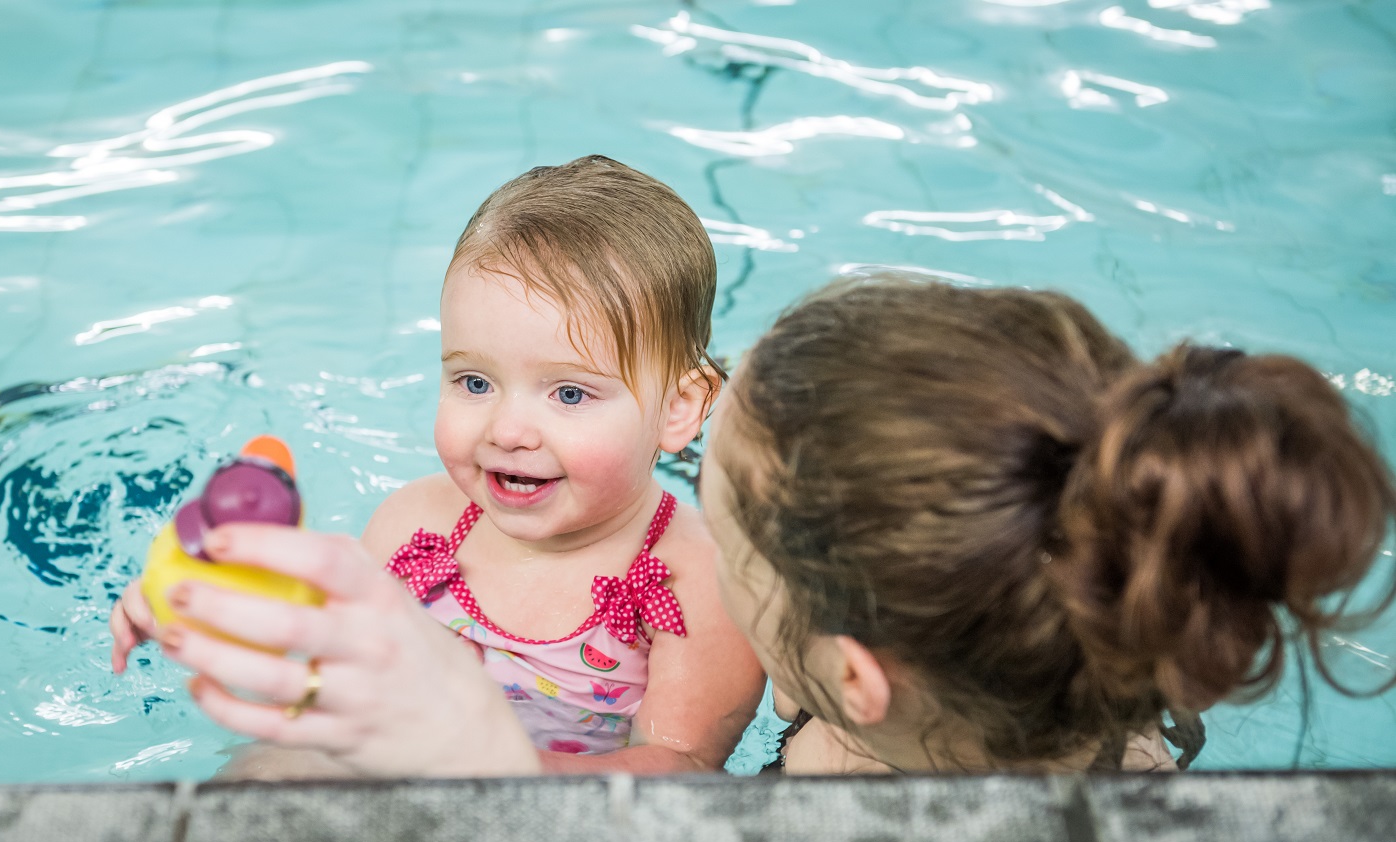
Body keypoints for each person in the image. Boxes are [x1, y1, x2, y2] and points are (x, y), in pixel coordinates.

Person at [135, 276, 1396, 778]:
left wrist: (472, 752)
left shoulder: (836, 806)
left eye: (723, 540)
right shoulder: (1109, 661)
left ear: (849, 677)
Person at [110, 156, 765, 775]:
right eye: (475, 382)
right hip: (389, 779)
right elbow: (320, 664)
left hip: (557, 822)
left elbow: (679, 774)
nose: (506, 431)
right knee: (270, 768)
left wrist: (480, 762)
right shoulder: (414, 524)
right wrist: (200, 608)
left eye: (570, 393)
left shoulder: (699, 581)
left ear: (680, 408)